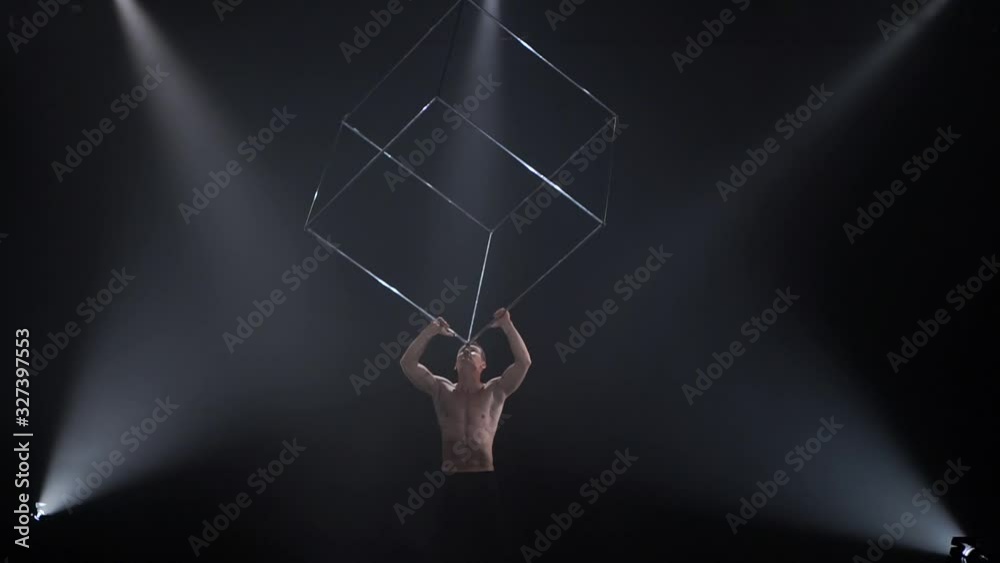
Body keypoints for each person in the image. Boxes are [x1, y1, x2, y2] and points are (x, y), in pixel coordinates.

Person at [399, 308, 531, 563]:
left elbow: (524, 363)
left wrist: (507, 325)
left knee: (489, 549)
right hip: (451, 481)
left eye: (474, 351)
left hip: (483, 480)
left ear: (483, 365)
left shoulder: (495, 390)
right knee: (448, 550)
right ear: (456, 364)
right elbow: (407, 364)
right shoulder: (441, 389)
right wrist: (431, 331)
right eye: (462, 351)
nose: (467, 350)